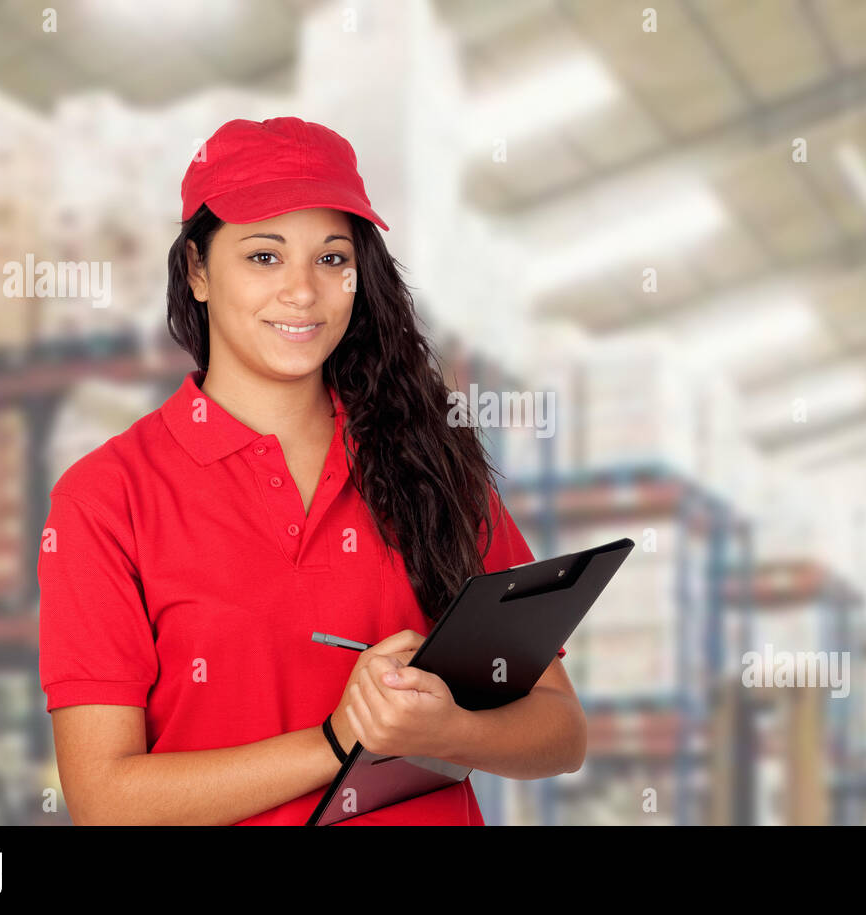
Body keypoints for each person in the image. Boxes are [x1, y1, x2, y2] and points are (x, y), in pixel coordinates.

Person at [37, 117, 583, 825]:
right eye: (264, 257)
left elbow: (560, 727)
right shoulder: (107, 497)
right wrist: (338, 742)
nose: (303, 292)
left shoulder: (430, 461)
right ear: (199, 271)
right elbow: (104, 800)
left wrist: (450, 729)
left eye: (331, 259)